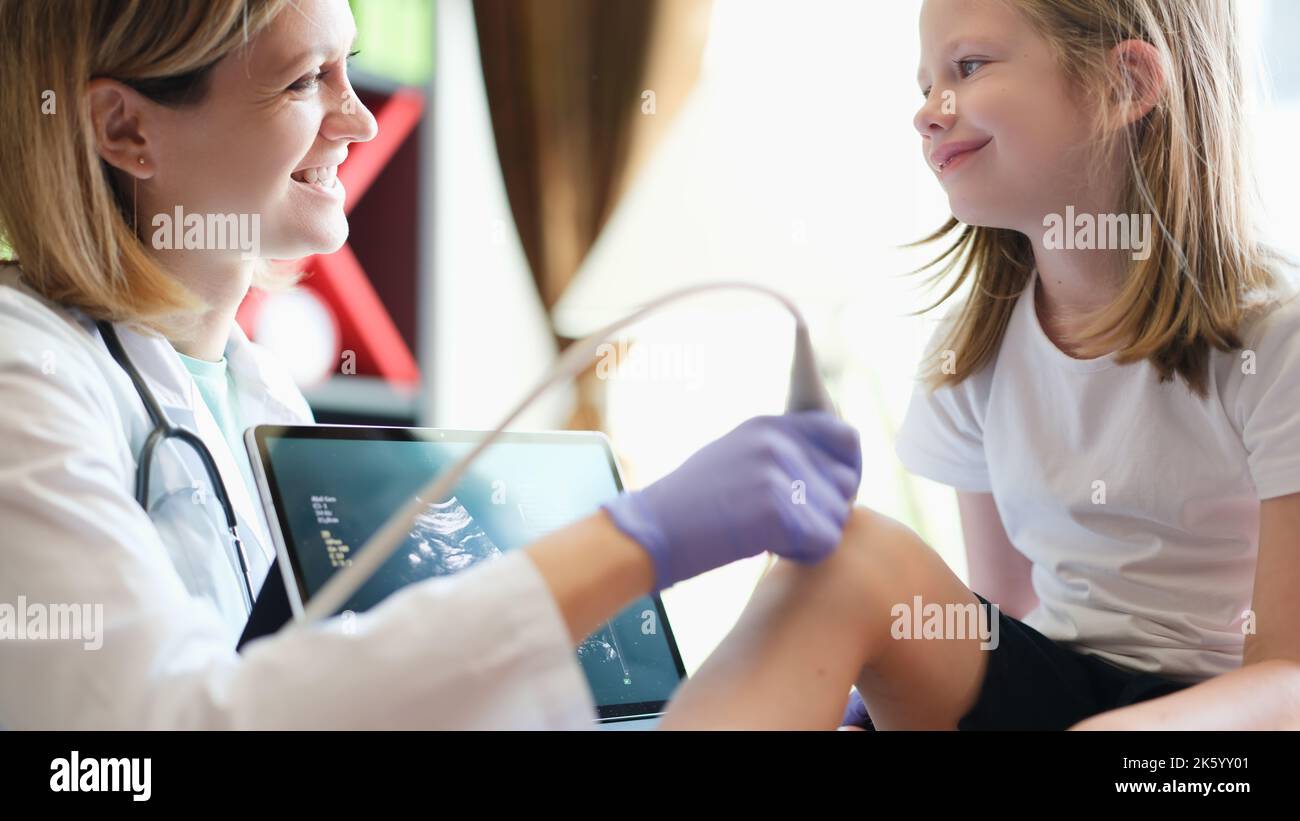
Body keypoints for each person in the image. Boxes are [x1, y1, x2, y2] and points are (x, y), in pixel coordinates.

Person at [0, 0, 864, 730]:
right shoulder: (24, 372)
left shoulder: (260, 398)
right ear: (125, 128)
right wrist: (630, 545)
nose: (360, 119)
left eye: (351, 68)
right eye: (305, 80)